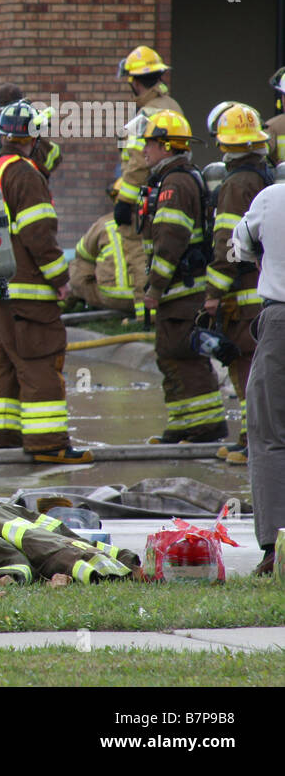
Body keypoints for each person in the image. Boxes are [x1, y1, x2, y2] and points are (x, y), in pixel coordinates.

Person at [0, 101, 92, 464]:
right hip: (29, 293)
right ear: (33, 137)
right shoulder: (25, 173)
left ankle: (4, 436)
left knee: (2, 365)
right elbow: (39, 233)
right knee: (39, 361)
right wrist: (60, 279)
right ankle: (49, 443)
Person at [136, 110, 227, 444]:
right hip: (179, 289)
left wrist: (154, 288)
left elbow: (170, 242)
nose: (144, 150)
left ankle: (206, 427)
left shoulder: (175, 183)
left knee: (185, 355)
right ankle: (182, 424)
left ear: (165, 146)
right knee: (171, 354)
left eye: (149, 143)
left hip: (180, 290)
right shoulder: (173, 178)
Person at [203, 104, 274, 462]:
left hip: (244, 293)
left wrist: (213, 292)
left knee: (245, 364)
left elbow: (228, 243)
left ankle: (250, 443)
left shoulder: (235, 184)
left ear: (226, 146)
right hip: (265, 287)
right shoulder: (267, 175)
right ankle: (253, 438)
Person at [232, 179, 285, 574]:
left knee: (268, 435)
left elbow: (242, 245)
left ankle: (275, 549)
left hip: (280, 321)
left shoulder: (271, 198)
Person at [113, 46, 184, 229]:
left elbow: (138, 161)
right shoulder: (172, 105)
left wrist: (124, 201)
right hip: (172, 188)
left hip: (146, 196)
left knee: (138, 251)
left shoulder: (145, 114)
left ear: (135, 83)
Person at [69, 181, 147, 318]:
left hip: (111, 297)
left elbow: (82, 254)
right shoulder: (151, 222)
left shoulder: (103, 224)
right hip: (148, 297)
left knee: (79, 265)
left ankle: (64, 303)